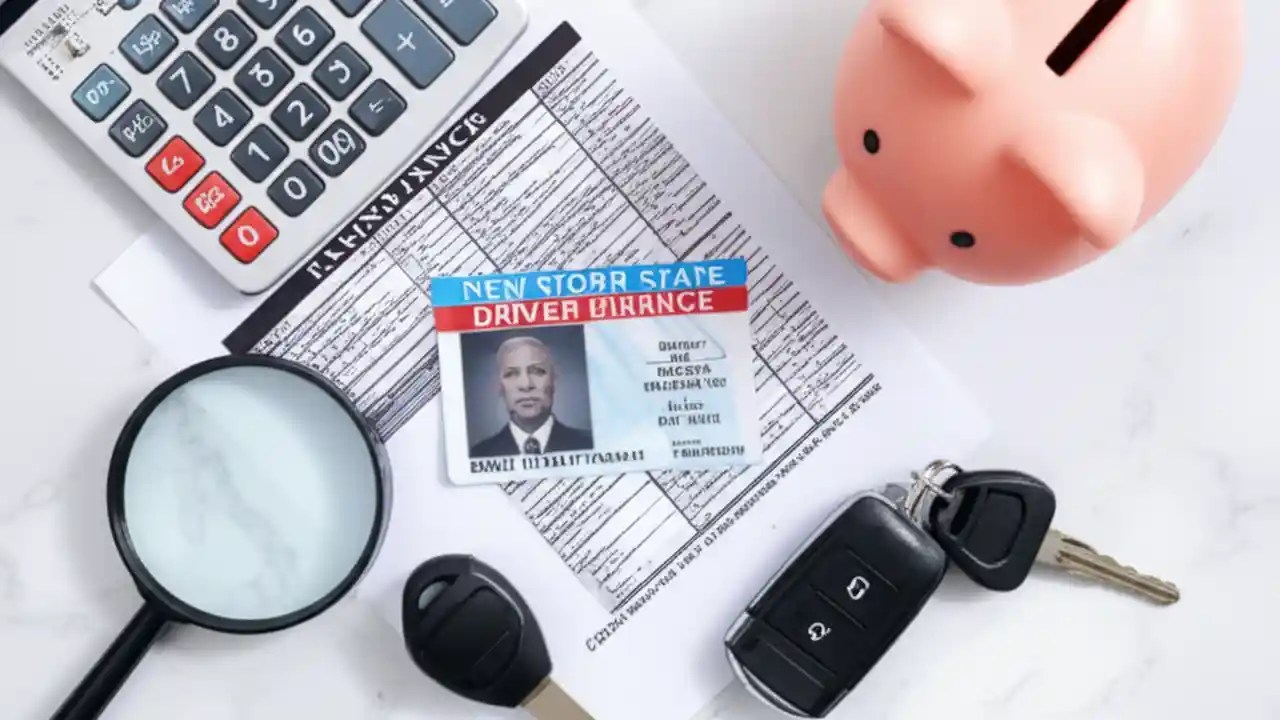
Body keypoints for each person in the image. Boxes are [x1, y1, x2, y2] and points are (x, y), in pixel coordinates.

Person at [470, 336, 593, 458]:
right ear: (499, 386)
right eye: (511, 374)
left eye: (537, 371)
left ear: (554, 381)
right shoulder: (478, 455)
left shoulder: (589, 445)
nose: (526, 385)